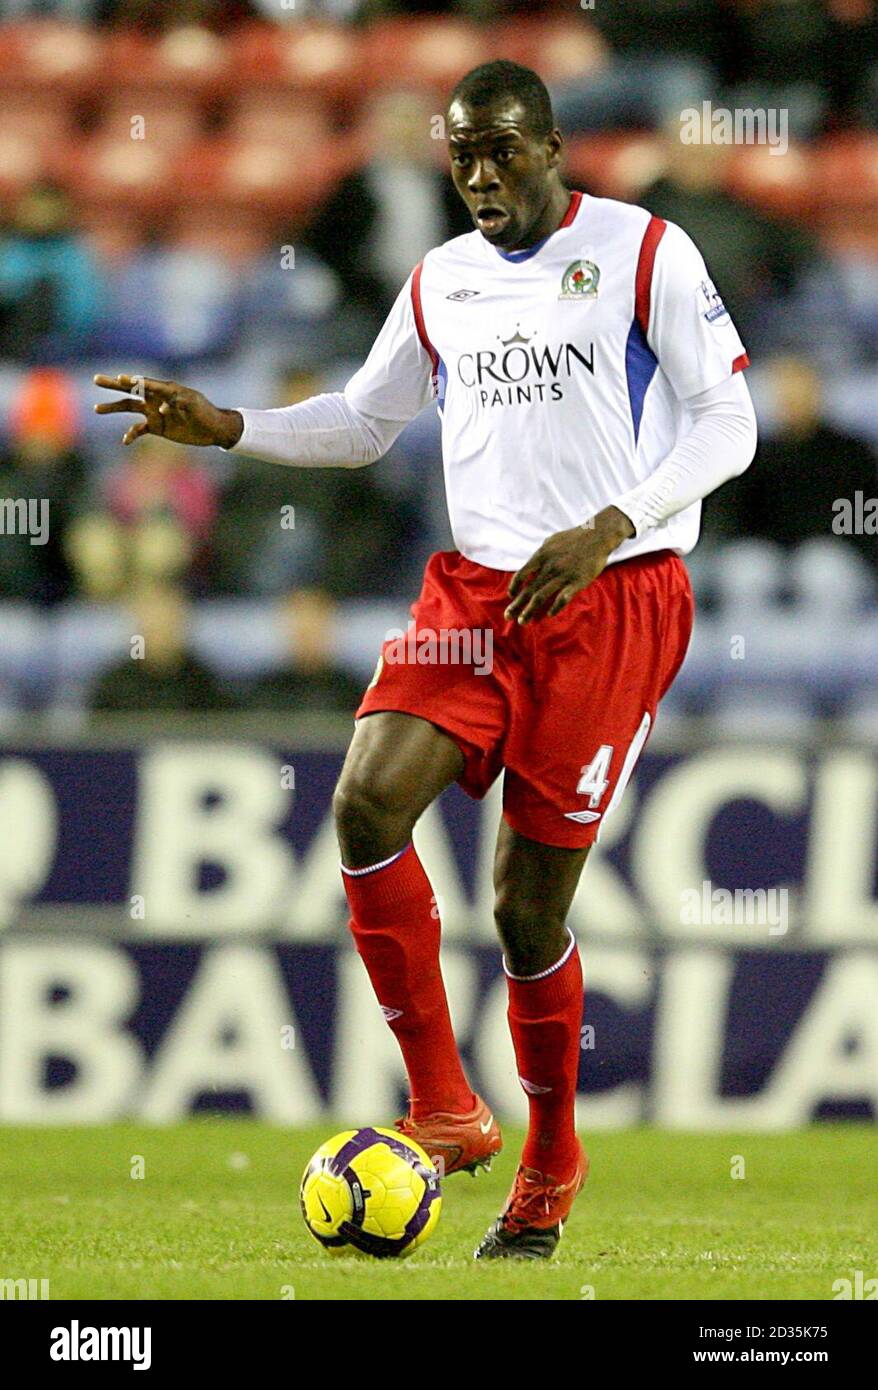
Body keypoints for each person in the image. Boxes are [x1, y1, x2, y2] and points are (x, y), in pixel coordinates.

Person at [94, 60, 758, 1260]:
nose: (482, 174)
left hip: (611, 599)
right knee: (361, 802)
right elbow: (363, 419)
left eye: (502, 148)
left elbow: (729, 421)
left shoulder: (646, 250)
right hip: (474, 593)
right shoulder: (439, 279)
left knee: (521, 908)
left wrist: (609, 522)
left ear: (551, 144)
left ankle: (550, 1156)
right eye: (462, 154)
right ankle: (447, 1104)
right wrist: (231, 424)